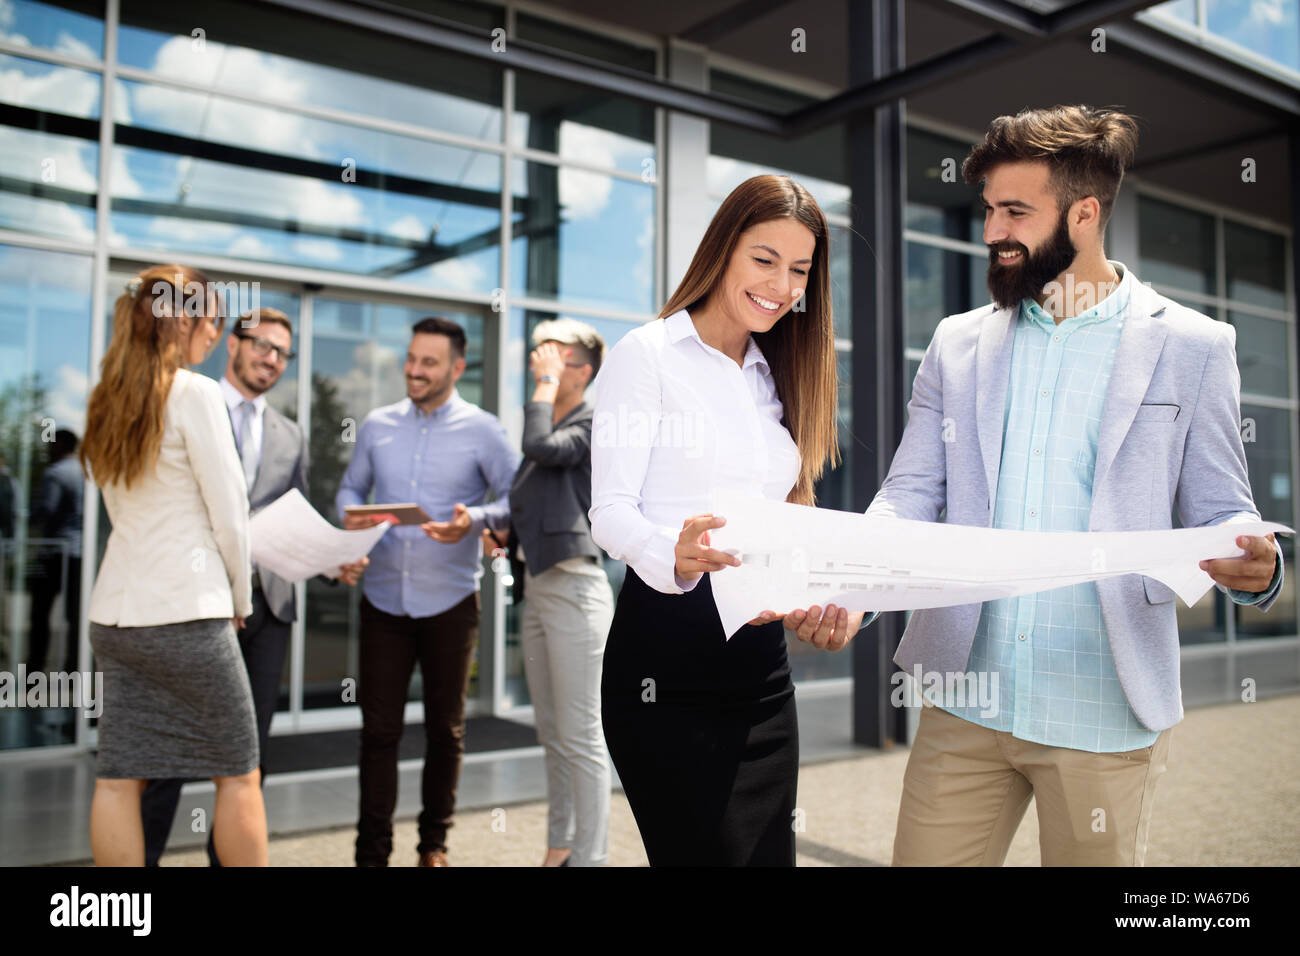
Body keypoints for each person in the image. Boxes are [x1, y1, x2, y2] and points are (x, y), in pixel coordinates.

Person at [868, 106, 1285, 867]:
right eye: (989, 208)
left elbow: (1225, 507)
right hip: (965, 697)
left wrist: (1259, 569)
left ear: (1085, 214)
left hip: (1103, 703)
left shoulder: (1193, 346)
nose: (994, 229)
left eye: (1016, 211)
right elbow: (909, 492)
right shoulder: (957, 343)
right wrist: (849, 582)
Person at [591, 174, 862, 867]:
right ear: (723, 250)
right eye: (764, 259)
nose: (781, 285)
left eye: (799, 270)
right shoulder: (646, 354)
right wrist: (671, 553)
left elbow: (786, 516)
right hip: (665, 663)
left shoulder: (779, 373)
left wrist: (813, 596)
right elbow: (610, 513)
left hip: (761, 669)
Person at [139, 307, 367, 866]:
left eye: (281, 352)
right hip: (194, 606)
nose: (270, 359)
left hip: (268, 610)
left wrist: (330, 561)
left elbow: (295, 515)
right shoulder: (188, 404)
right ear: (231, 346)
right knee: (167, 751)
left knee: (247, 757)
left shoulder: (289, 433)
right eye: (261, 345)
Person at [83, 264, 267, 867]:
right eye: (210, 319)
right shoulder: (196, 393)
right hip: (188, 617)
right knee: (238, 771)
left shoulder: (107, 399)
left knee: (119, 776)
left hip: (116, 619)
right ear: (180, 320)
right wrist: (240, 599)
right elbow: (230, 517)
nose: (214, 333)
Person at [338, 316, 519, 867]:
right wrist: (347, 527)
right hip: (383, 601)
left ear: (457, 367)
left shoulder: (484, 430)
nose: (414, 371)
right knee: (379, 733)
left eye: (429, 363)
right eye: (411, 359)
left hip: (451, 604)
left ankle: (433, 846)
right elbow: (350, 486)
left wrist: (477, 519)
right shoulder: (376, 425)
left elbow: (518, 497)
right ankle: (371, 853)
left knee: (446, 730)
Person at [501, 317, 613, 867]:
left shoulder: (594, 419)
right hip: (540, 585)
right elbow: (531, 493)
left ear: (583, 371)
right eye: (541, 355)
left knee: (581, 733)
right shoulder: (559, 416)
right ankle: (558, 849)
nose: (543, 362)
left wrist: (542, 387)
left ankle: (591, 858)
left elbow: (541, 445)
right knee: (552, 733)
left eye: (557, 356)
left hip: (574, 587)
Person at [26, 429, 82, 674]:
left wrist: (23, 520)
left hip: (55, 552)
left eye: (51, 443)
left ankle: (35, 668)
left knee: (40, 614)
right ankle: (73, 668)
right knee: (74, 615)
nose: (48, 448)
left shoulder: (56, 473)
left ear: (61, 444)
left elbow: (47, 509)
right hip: (79, 554)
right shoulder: (86, 472)